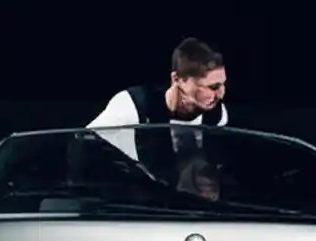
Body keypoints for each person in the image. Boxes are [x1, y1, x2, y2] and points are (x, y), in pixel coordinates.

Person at [86, 38, 229, 168]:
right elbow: (83, 145)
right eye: (213, 87)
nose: (221, 94)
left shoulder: (217, 115)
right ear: (178, 79)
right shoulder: (133, 106)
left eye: (223, 85)